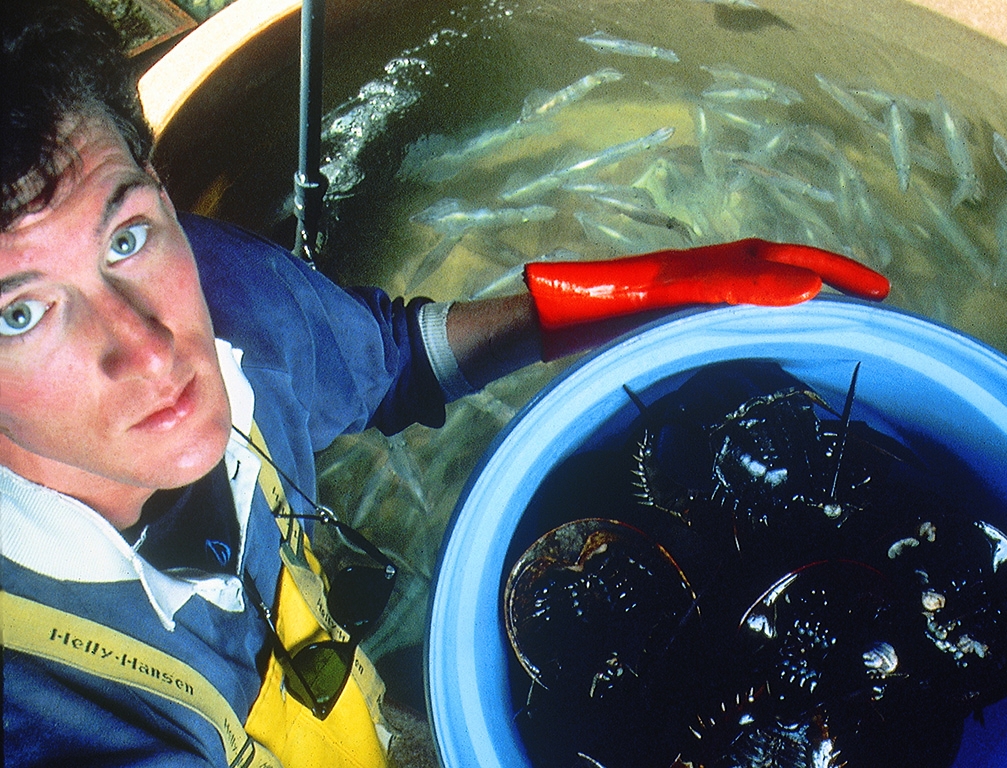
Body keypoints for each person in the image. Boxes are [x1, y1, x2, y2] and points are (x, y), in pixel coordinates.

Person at [0, 2, 888, 766]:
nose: (150, 352)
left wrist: (618, 297)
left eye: (125, 237)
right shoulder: (46, 719)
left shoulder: (234, 296)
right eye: (22, 313)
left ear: (161, 190)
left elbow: (391, 362)